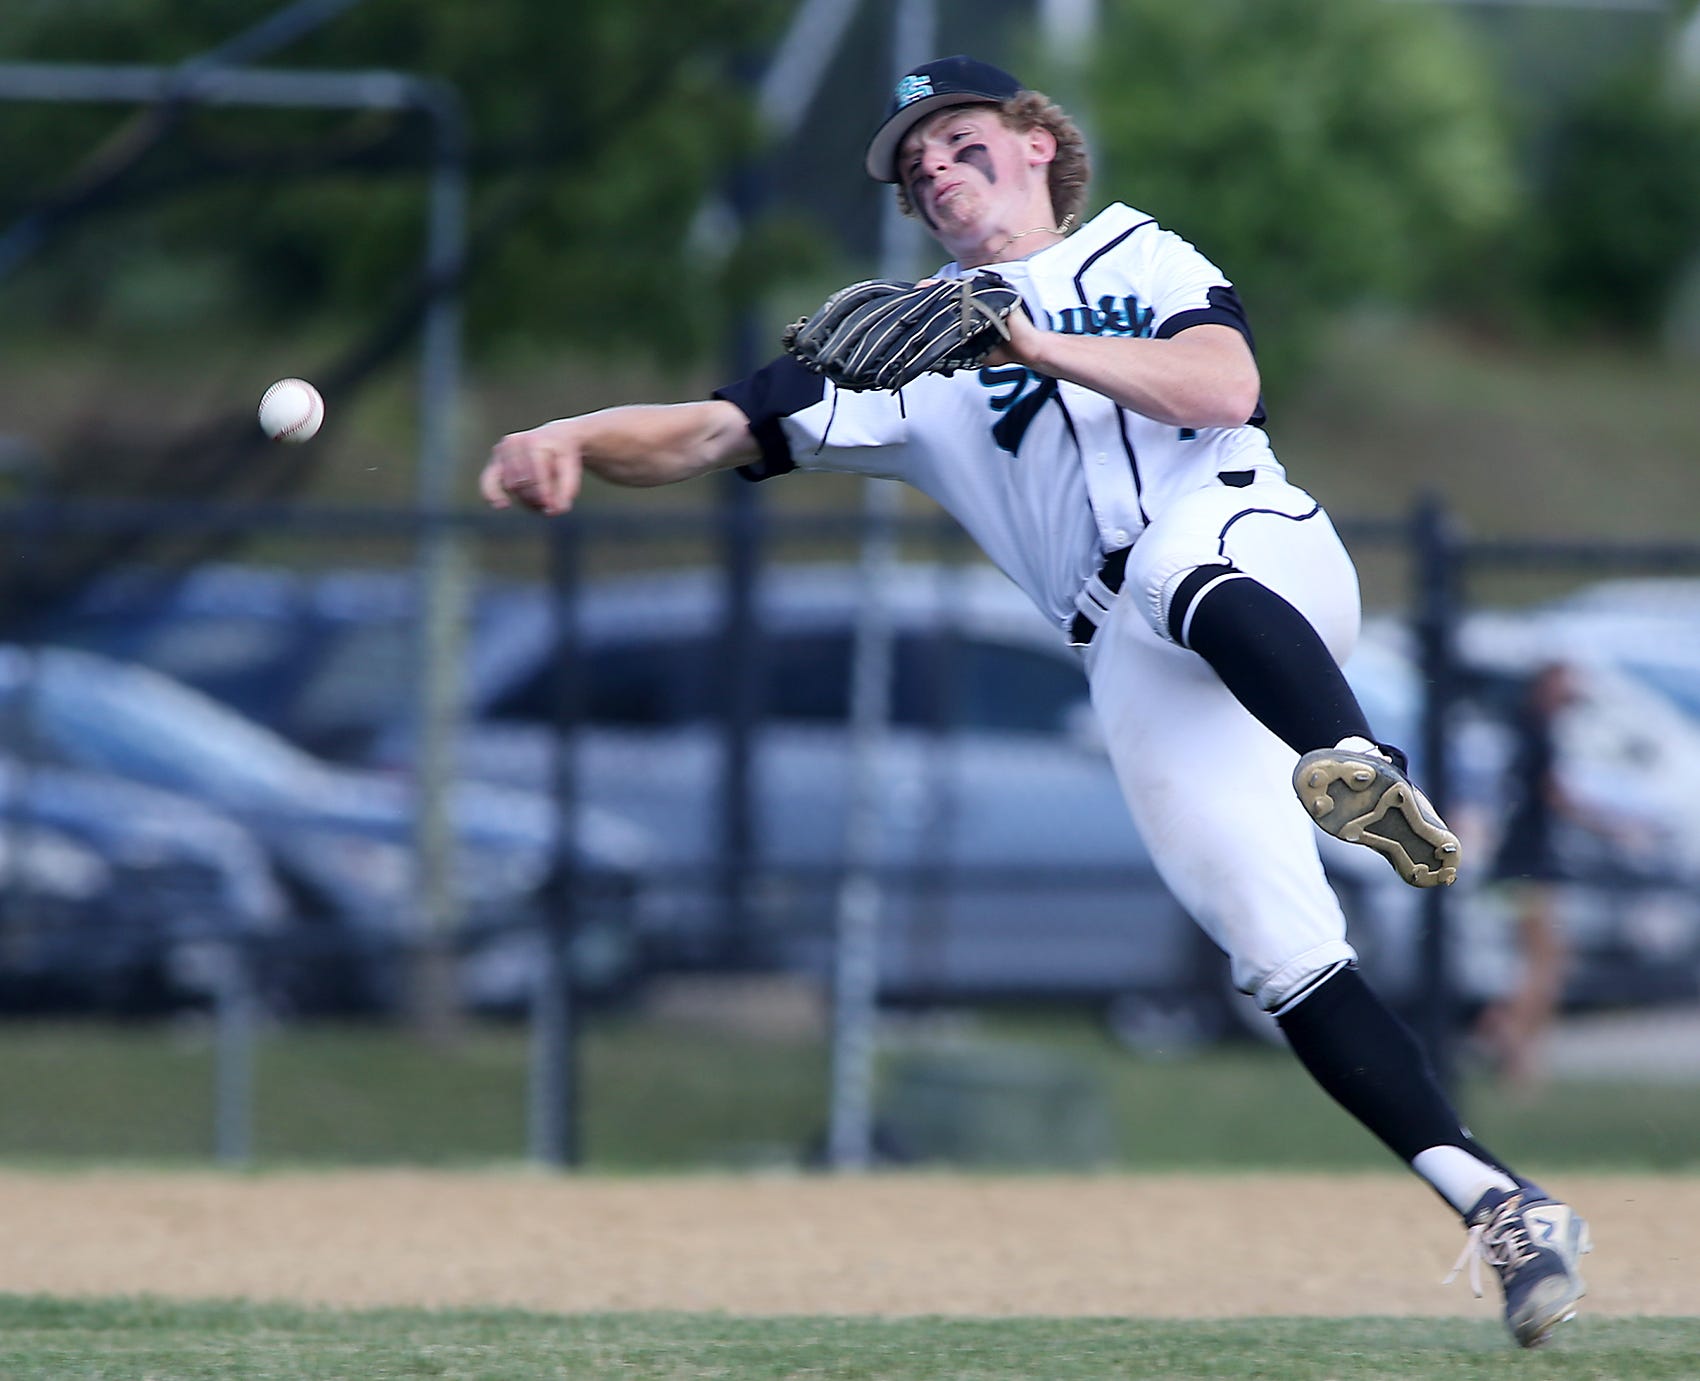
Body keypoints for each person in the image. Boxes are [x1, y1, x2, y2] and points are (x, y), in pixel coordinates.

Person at [480, 54, 1590, 1347]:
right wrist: (567, 436)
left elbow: (1221, 390)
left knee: (1179, 564)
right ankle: (1500, 1202)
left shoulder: (1141, 254)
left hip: (1255, 545)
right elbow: (708, 429)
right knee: (1274, 952)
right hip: (1121, 645)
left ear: (1033, 139)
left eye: (957, 142)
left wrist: (1022, 337)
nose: (938, 175)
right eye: (915, 169)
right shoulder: (895, 346)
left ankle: (1354, 756)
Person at [1473, 662, 1584, 1090]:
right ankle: (1512, 1044)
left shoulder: (1519, 732)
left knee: (1536, 959)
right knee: (1546, 963)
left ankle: (1499, 1028)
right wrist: (1618, 826)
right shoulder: (1537, 736)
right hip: (1527, 868)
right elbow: (1556, 797)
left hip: (1511, 866)